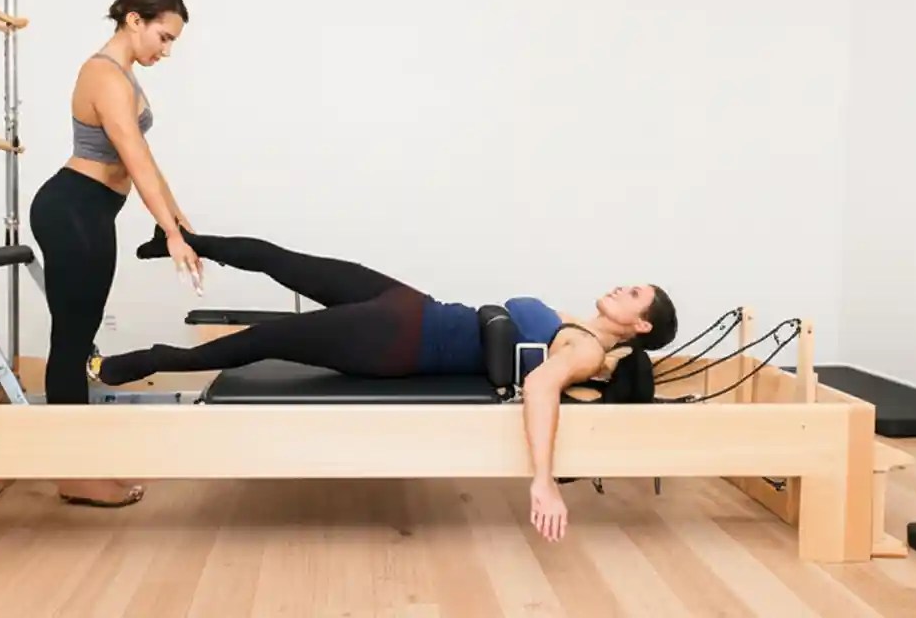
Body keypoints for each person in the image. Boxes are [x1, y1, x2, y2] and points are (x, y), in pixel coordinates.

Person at [90, 224, 679, 540]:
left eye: (634, 294)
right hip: (411, 306)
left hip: (400, 342)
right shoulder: (577, 323)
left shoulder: (583, 349)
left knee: (270, 337)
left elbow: (546, 388)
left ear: (640, 324)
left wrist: (544, 481)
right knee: (285, 259)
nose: (622, 287)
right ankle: (179, 239)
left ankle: (141, 361)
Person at [28, 0, 201, 509]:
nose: (166, 50)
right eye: (164, 37)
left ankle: (81, 464)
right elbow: (130, 153)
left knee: (78, 339)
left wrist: (179, 218)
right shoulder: (104, 75)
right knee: (71, 341)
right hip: (73, 209)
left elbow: (144, 162)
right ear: (134, 20)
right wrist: (169, 232)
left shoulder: (124, 75)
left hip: (92, 212)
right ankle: (73, 474)